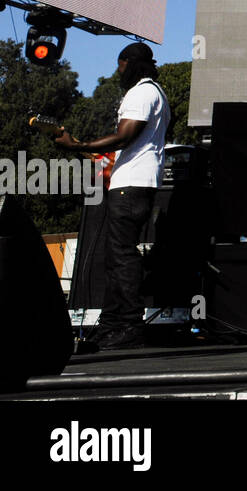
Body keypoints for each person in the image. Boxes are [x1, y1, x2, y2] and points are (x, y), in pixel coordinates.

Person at [54, 42, 171, 350]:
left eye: (120, 65)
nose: (118, 71)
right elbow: (125, 145)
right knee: (116, 257)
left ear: (129, 62)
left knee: (122, 257)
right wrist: (82, 148)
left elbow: (124, 135)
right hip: (131, 183)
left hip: (131, 186)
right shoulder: (150, 93)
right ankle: (114, 324)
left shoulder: (142, 92)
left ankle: (128, 326)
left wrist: (78, 146)